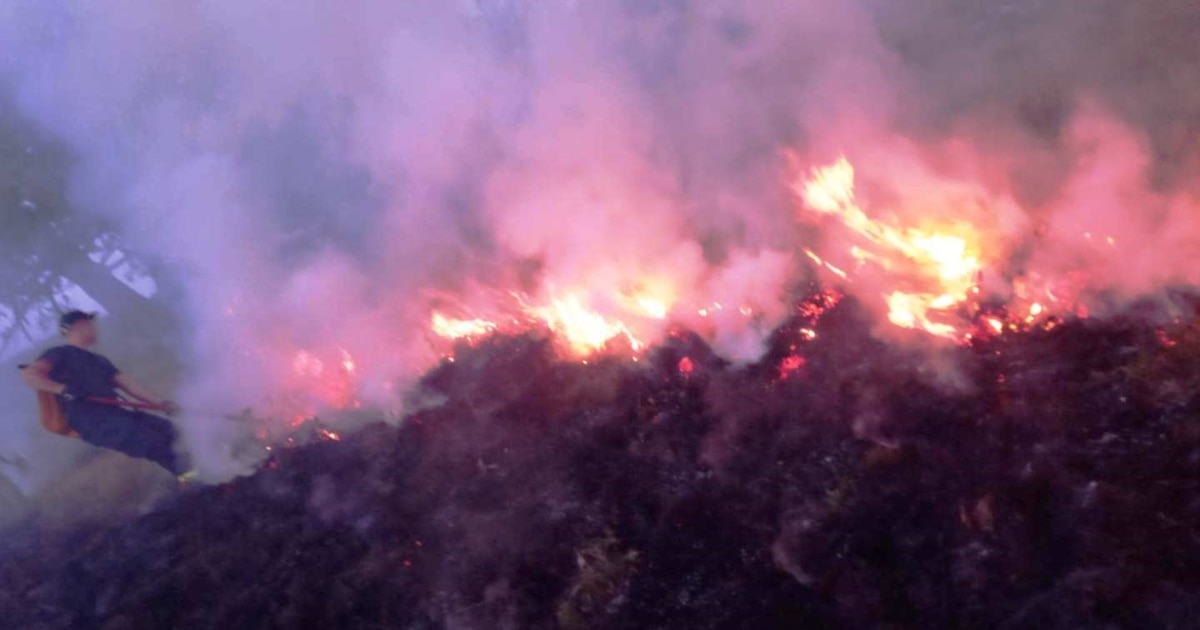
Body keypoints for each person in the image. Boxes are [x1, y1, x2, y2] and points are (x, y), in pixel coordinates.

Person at [20, 310, 191, 477]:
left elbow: (129, 385)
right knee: (152, 442)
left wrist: (162, 404)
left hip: (116, 413)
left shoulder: (99, 361)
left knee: (172, 432)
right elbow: (29, 375)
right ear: (79, 326)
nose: (95, 329)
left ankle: (200, 475)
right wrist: (62, 389)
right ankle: (192, 480)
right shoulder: (60, 354)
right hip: (92, 421)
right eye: (91, 324)